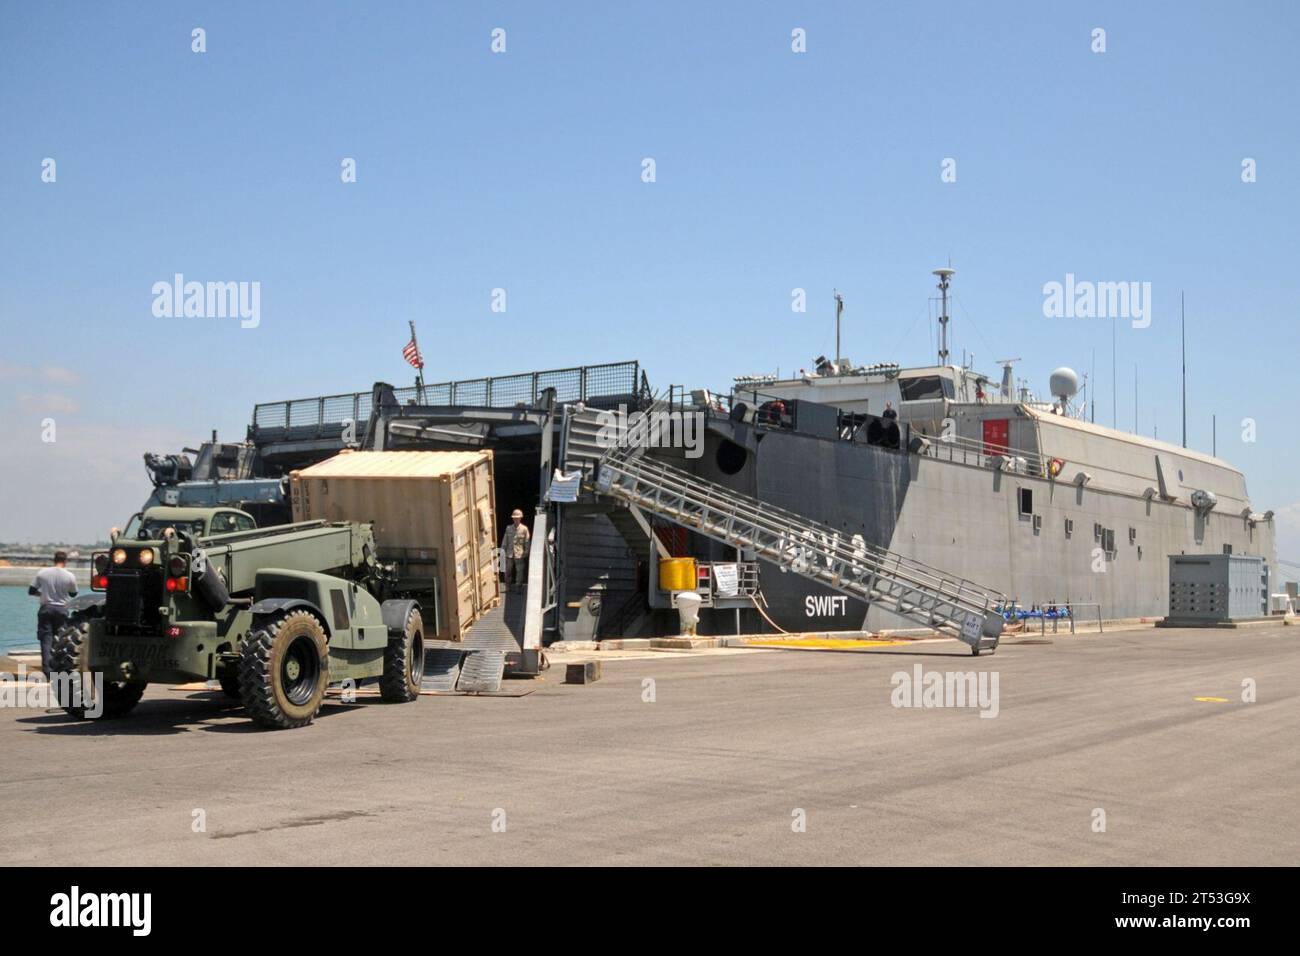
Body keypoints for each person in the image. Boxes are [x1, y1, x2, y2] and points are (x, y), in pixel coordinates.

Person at [28, 551, 78, 675]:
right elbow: (73, 593)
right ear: (65, 561)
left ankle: (47, 670)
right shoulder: (70, 576)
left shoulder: (42, 573)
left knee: (46, 639)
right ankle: (59, 667)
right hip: (62, 609)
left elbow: (31, 590)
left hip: (46, 608)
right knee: (61, 639)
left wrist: (42, 594)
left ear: (53, 560)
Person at [500, 509, 530, 592]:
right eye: (514, 518)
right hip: (509, 554)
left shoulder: (524, 529)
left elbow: (527, 541)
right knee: (507, 571)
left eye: (517, 518)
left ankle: (518, 587)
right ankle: (508, 586)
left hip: (519, 554)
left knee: (519, 571)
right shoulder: (508, 528)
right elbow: (505, 540)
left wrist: (526, 552)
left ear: (520, 518)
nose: (516, 519)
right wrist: (502, 551)